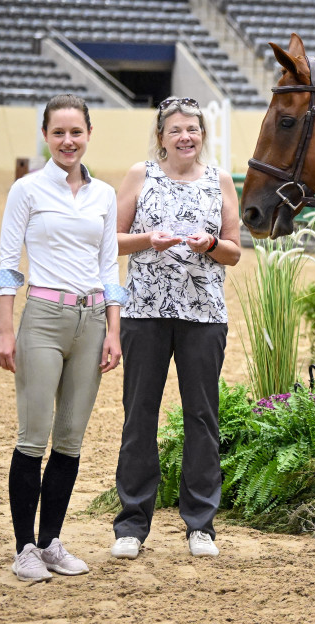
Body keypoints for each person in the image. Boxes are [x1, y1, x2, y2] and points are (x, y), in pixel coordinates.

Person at [0, 94, 125, 582]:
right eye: (59, 133)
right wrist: (6, 329)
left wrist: (114, 330)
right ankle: (23, 548)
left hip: (92, 322)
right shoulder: (26, 189)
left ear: (89, 134)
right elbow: (8, 263)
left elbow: (109, 266)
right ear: (45, 136)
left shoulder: (104, 194)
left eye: (76, 132)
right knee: (33, 435)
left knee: (70, 438)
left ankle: (49, 542)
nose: (68, 141)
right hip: (43, 319)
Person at [110, 97, 241, 560]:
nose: (186, 137)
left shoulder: (220, 179)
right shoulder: (140, 175)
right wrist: (149, 239)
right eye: (176, 130)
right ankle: (131, 525)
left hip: (204, 315)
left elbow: (234, 250)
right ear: (161, 136)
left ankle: (200, 525)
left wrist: (211, 244)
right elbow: (112, 241)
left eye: (193, 129)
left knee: (202, 417)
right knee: (139, 415)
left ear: (202, 134)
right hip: (144, 311)